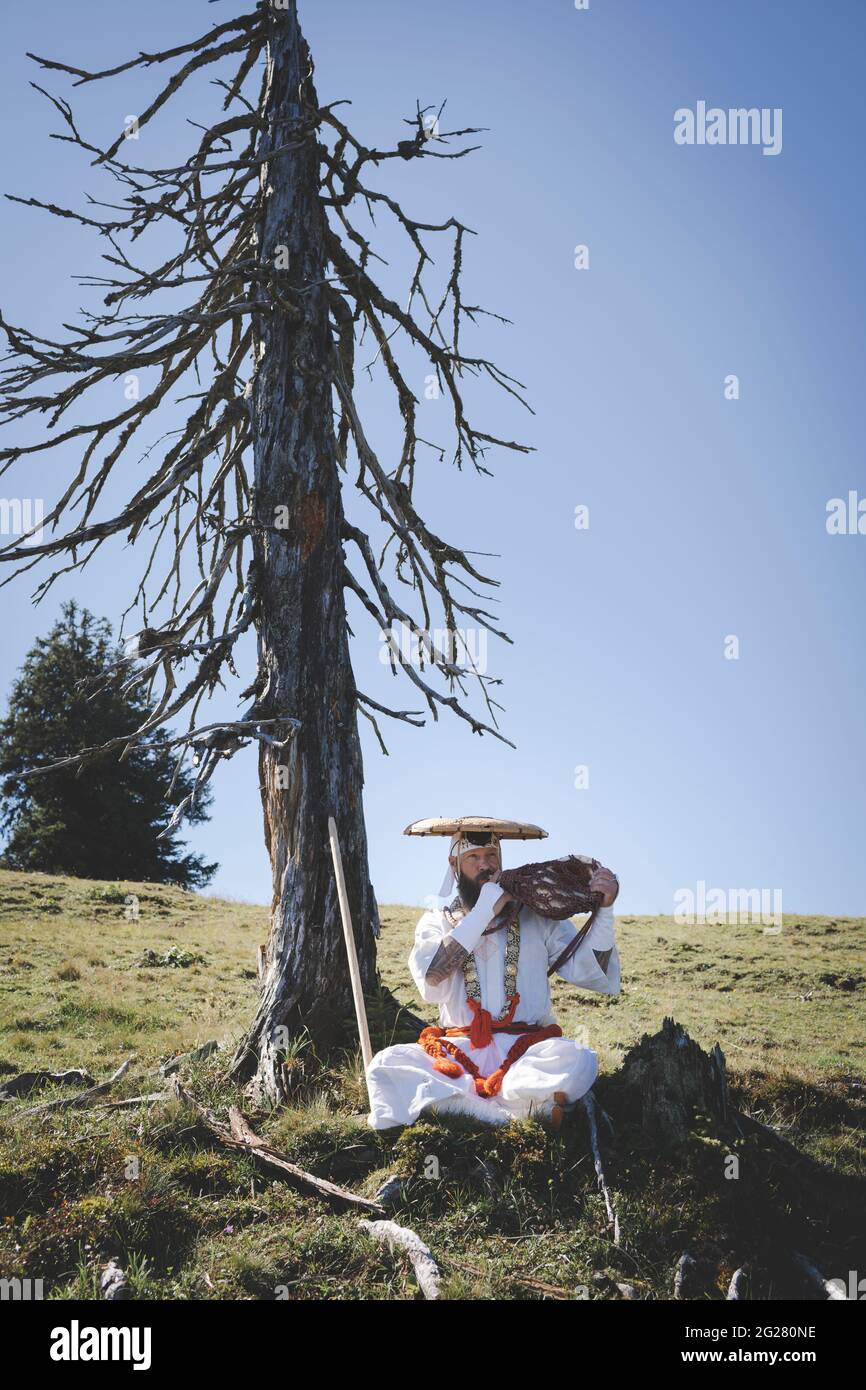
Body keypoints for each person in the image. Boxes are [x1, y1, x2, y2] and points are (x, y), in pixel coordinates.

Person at [366, 825, 620, 1130]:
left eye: (491, 855)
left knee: (578, 1058)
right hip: (458, 1052)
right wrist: (483, 911)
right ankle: (512, 1114)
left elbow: (591, 974)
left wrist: (604, 911)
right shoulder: (436, 922)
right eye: (473, 857)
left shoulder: (536, 916)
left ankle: (469, 1109)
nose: (485, 865)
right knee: (386, 1064)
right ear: (454, 865)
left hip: (525, 1053)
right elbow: (432, 981)